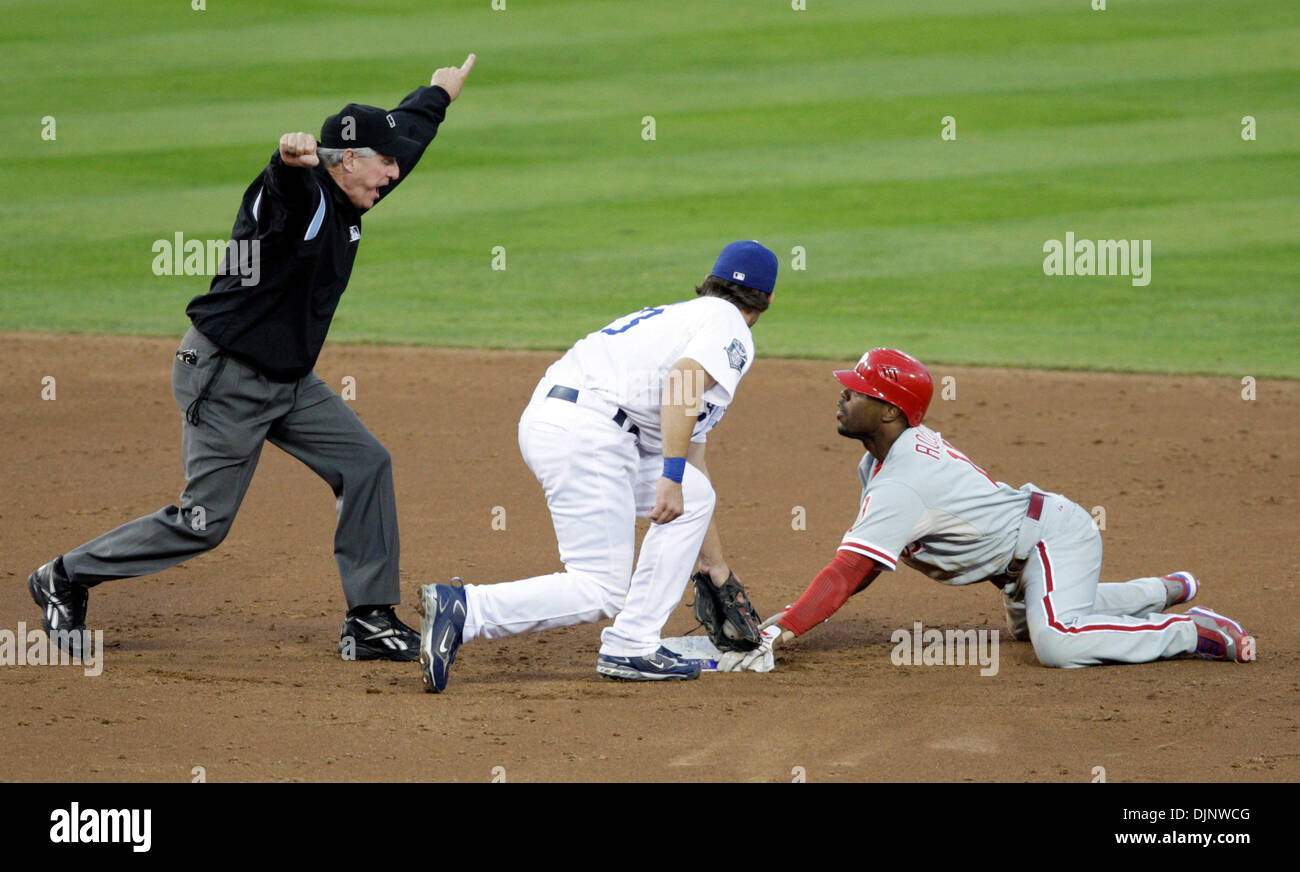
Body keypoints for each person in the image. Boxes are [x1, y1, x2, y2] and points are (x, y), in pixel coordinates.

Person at [28, 55, 477, 662]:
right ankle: (65, 575)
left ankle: (369, 618)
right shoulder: (303, 199)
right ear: (345, 160)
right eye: (384, 163)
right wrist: (286, 162)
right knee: (203, 523)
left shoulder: (359, 176)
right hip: (226, 377)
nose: (395, 174)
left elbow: (405, 134)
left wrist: (437, 96)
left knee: (366, 463)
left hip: (289, 381)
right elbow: (286, 193)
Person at [719, 348, 1257, 672]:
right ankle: (1161, 590)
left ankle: (1191, 631)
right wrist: (789, 622)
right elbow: (863, 567)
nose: (842, 396)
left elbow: (851, 569)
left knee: (1059, 645)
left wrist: (783, 628)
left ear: (888, 410)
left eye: (857, 391)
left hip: (1052, 540)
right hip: (1028, 557)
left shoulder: (904, 478)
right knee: (1042, 623)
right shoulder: (884, 459)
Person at [417, 241, 778, 691]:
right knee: (601, 586)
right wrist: (669, 474)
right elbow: (683, 382)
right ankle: (468, 609)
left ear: (710, 280)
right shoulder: (728, 325)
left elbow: (693, 461)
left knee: (697, 494)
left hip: (570, 423)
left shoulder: (683, 318)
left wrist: (716, 567)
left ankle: (634, 640)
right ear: (768, 299)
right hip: (589, 433)